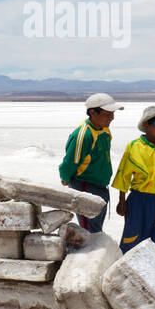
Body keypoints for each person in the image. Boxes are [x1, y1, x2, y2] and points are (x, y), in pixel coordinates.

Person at [113, 105, 155, 255]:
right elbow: (123, 175)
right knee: (134, 241)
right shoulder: (134, 147)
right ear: (146, 126)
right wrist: (122, 201)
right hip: (140, 201)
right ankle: (127, 275)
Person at [59, 93, 123, 232]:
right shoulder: (83, 135)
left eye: (112, 114)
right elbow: (70, 162)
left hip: (100, 187)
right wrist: (65, 178)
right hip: (86, 187)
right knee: (90, 231)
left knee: (96, 228)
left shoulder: (104, 131)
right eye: (108, 114)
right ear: (93, 112)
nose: (112, 118)